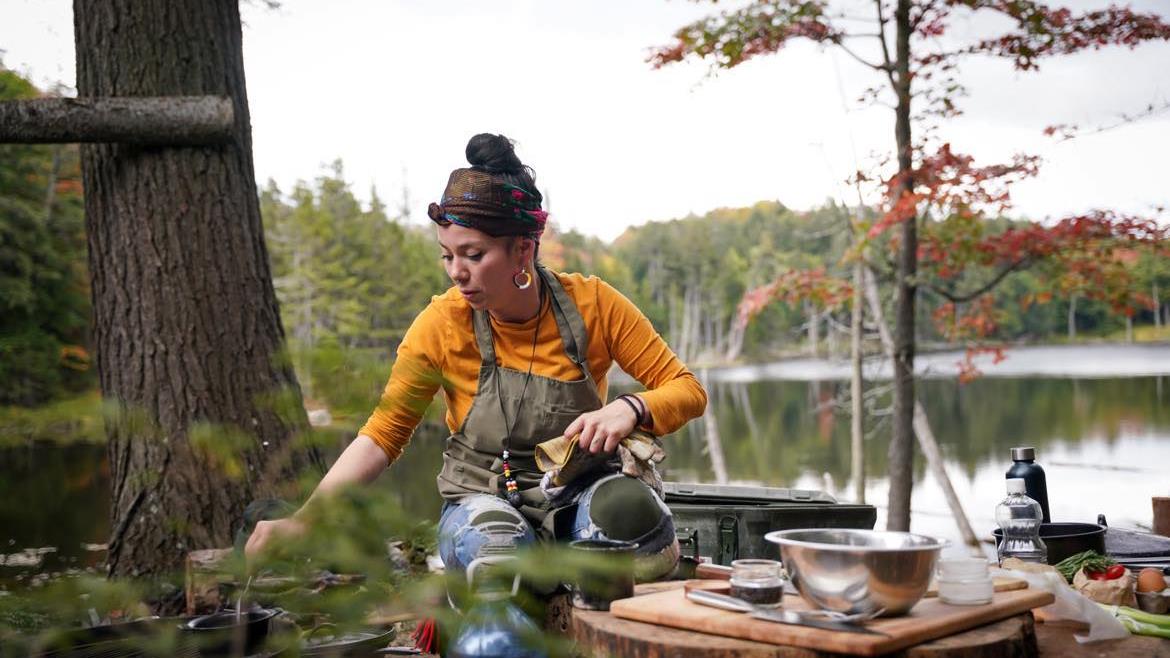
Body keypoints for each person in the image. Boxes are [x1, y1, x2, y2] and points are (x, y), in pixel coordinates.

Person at [244, 133, 707, 585]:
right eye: (447, 256)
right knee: (497, 554)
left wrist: (630, 408)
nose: (456, 272)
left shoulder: (595, 305)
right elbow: (382, 435)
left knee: (632, 516)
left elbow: (688, 390)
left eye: (473, 254)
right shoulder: (441, 324)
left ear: (522, 249)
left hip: (578, 490)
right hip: (483, 497)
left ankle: (587, 592)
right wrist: (305, 521)